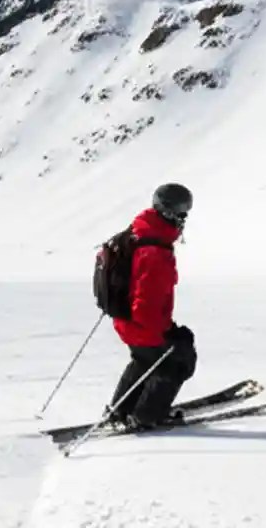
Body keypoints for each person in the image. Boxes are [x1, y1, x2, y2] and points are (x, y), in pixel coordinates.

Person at [108, 183, 197, 429]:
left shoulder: (140, 233)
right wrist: (165, 334)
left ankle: (121, 410)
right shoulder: (154, 251)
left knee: (144, 360)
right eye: (180, 211)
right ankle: (146, 416)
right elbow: (145, 302)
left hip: (125, 319)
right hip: (140, 323)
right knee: (177, 360)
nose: (184, 218)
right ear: (166, 211)